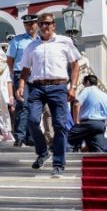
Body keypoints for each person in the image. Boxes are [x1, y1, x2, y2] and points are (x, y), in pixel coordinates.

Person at [17, 12, 81, 178]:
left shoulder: (65, 42)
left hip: (58, 87)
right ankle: (43, 152)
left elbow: (75, 65)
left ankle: (58, 164)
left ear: (54, 25)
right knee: (31, 120)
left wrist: (73, 87)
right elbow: (25, 69)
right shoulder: (32, 46)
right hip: (37, 88)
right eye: (41, 23)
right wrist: (21, 84)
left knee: (59, 125)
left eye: (47, 23)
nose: (44, 26)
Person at [7, 15, 39, 145]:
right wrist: (13, 72)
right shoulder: (17, 40)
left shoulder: (40, 40)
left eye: (31, 24)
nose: (29, 26)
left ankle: (31, 137)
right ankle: (20, 136)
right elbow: (9, 59)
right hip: (20, 75)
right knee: (23, 105)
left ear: (36, 24)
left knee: (35, 106)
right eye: (27, 24)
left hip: (36, 76)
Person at [68, 75, 107, 152]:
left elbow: (76, 104)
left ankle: (65, 162)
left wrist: (76, 121)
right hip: (100, 124)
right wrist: (105, 125)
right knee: (97, 151)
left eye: (84, 83)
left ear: (88, 82)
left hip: (87, 123)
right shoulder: (106, 95)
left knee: (68, 140)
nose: (83, 85)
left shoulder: (87, 90)